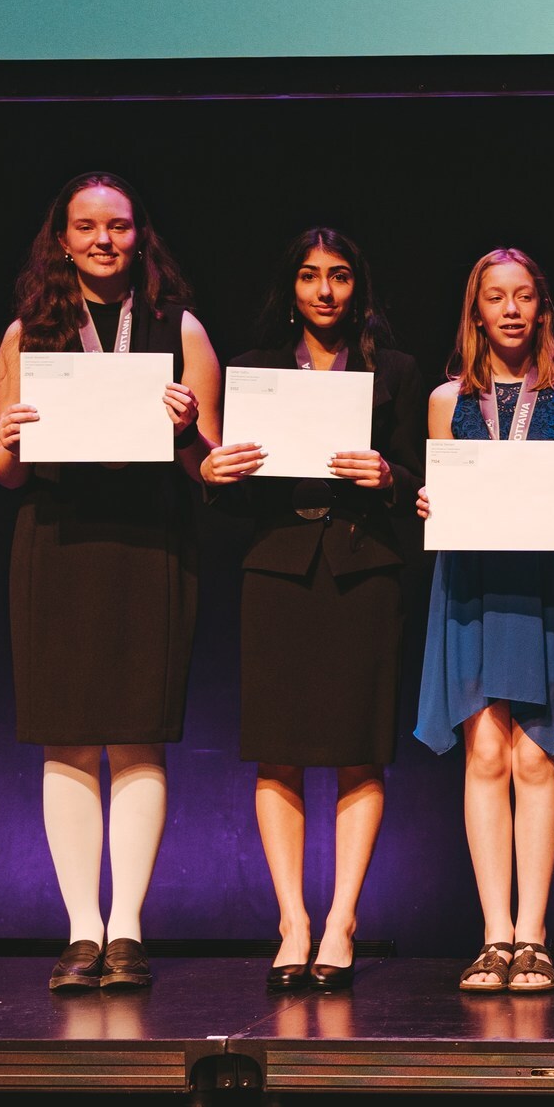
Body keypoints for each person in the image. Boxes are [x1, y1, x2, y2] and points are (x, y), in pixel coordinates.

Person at [0, 172, 221, 994]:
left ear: (139, 235)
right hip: (58, 541)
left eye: (118, 227)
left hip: (150, 542)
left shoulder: (179, 328)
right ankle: (80, 931)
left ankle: (127, 930)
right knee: (66, 737)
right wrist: (10, 439)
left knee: (137, 736)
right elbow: (5, 472)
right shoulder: (29, 333)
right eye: (86, 227)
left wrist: (189, 430)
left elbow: (210, 469)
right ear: (61, 240)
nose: (102, 241)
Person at [200, 229, 426, 994]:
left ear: (358, 287)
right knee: (279, 751)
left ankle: (342, 921)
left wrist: (388, 477)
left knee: (360, 749)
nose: (324, 290)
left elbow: (422, 480)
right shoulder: (259, 369)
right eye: (308, 275)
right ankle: (293, 921)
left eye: (338, 276)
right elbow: (233, 492)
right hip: (277, 568)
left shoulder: (395, 370)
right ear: (290, 288)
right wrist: (216, 474)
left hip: (364, 570)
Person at [414, 248, 554, 995]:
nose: (512, 310)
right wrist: (430, 503)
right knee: (486, 754)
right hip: (472, 584)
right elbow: (442, 490)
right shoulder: (445, 400)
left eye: (524, 296)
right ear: (477, 311)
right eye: (497, 297)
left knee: (534, 756)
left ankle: (534, 936)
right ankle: (494, 935)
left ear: (541, 307)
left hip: (542, 585)